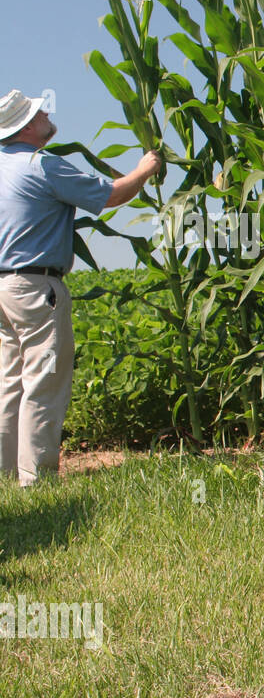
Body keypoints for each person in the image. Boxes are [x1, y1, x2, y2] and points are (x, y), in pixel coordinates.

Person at [0, 89, 161, 486]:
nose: (47, 115)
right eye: (40, 112)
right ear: (27, 126)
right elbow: (111, 195)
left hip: (4, 287)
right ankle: (36, 483)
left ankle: (4, 475)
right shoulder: (43, 167)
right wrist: (145, 168)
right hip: (37, 288)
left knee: (9, 382)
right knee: (43, 381)